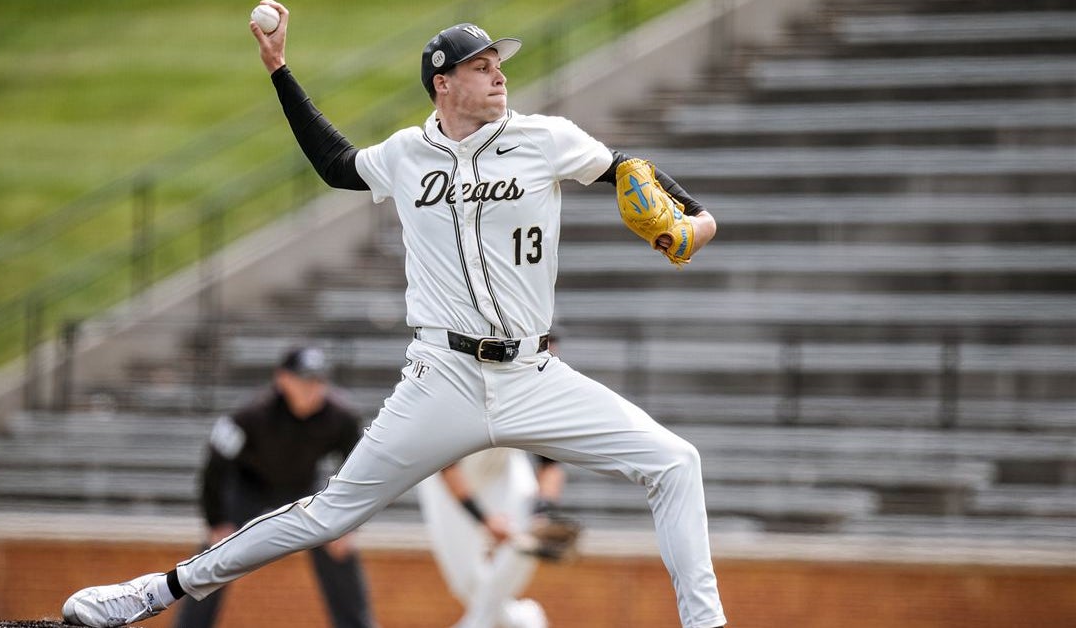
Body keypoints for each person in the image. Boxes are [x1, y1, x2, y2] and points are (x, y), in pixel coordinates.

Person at [62, 4, 726, 627]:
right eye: (482, 66)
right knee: (327, 516)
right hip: (443, 377)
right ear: (444, 83)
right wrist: (278, 69)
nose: (499, 75)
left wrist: (695, 226)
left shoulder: (546, 139)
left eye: (500, 64)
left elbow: (651, 186)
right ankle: (151, 592)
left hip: (534, 372)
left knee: (674, 463)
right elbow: (333, 164)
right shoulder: (406, 154)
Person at [173, 346, 376, 628]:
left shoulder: (341, 417)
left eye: (319, 382)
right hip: (249, 488)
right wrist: (216, 522)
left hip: (304, 487)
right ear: (283, 379)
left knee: (338, 544)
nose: (312, 389)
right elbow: (215, 466)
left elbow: (360, 470)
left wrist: (349, 527)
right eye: (304, 381)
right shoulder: (251, 416)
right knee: (216, 555)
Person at [419, 451, 566, 628]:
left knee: (526, 536)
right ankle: (523, 619)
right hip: (447, 480)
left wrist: (543, 512)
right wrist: (484, 519)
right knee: (467, 582)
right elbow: (447, 467)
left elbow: (551, 463)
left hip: (502, 469)